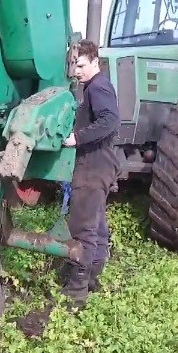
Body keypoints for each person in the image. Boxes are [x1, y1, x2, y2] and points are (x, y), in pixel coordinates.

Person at [60, 39, 121, 309]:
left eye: (82, 65)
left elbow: (110, 120)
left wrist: (77, 138)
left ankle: (76, 294)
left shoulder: (98, 87)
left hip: (94, 165)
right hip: (101, 164)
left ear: (95, 61)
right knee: (96, 225)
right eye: (75, 66)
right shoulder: (93, 87)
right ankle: (93, 277)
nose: (77, 72)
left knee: (81, 228)